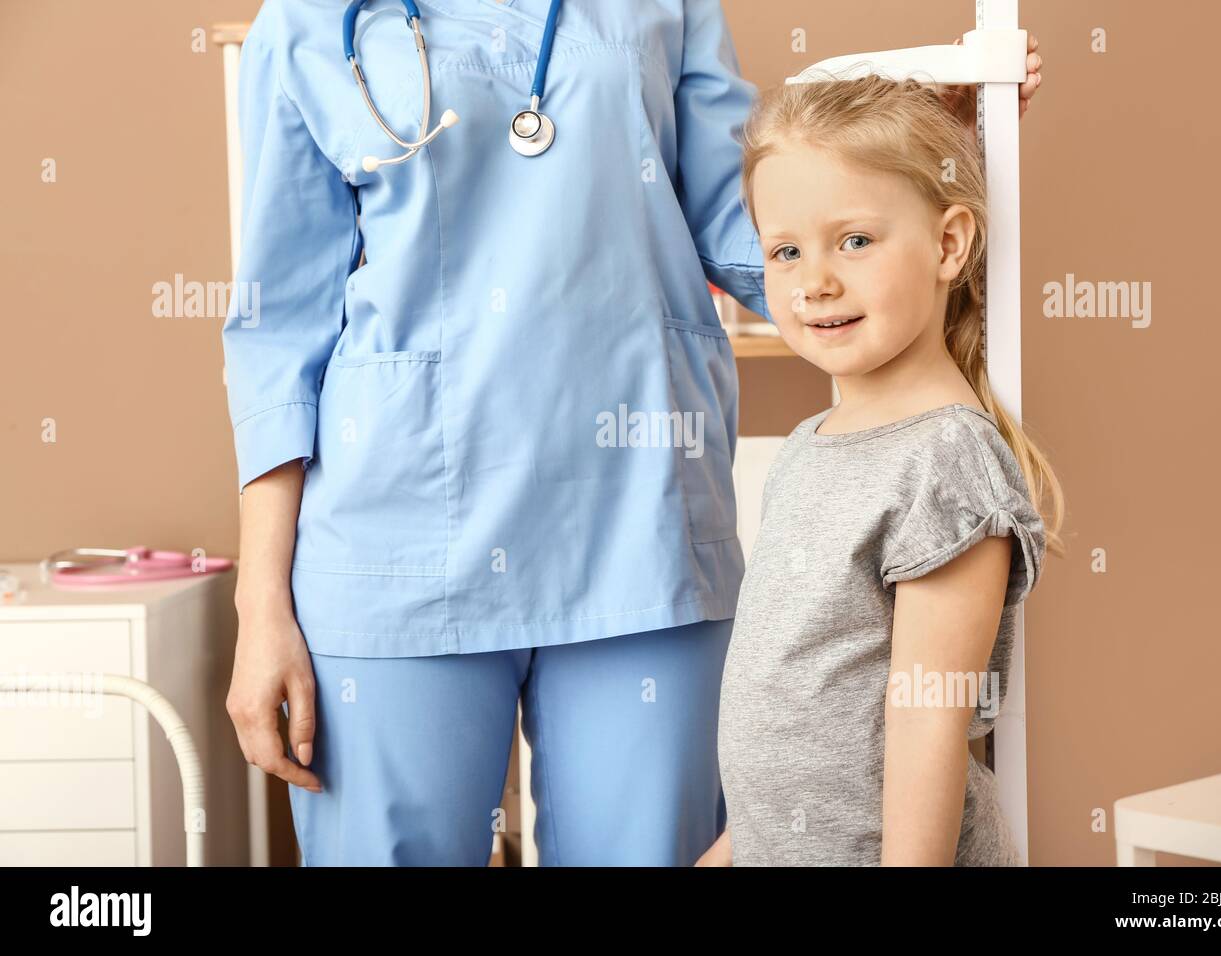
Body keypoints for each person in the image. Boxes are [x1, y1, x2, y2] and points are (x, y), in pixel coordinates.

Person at [221, 0, 1044, 866]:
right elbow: (279, 331)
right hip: (397, 542)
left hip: (638, 530)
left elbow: (762, 233)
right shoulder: (310, 21)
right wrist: (259, 605)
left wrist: (932, 148)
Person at [704, 72, 1064, 866]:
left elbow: (928, 722)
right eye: (786, 250)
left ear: (947, 244)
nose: (815, 280)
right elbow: (806, 702)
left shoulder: (944, 461)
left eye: (855, 240)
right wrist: (739, 847)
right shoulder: (809, 444)